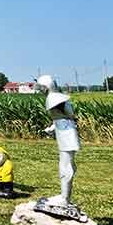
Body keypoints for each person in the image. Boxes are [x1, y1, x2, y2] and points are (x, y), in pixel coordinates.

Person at [37, 75, 80, 208]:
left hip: (67, 135)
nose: (40, 91)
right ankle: (64, 196)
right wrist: (52, 128)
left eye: (41, 88)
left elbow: (67, 117)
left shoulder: (54, 99)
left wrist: (56, 126)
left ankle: (64, 199)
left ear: (46, 87)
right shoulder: (56, 99)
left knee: (66, 167)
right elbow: (61, 118)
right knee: (66, 165)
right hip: (64, 134)